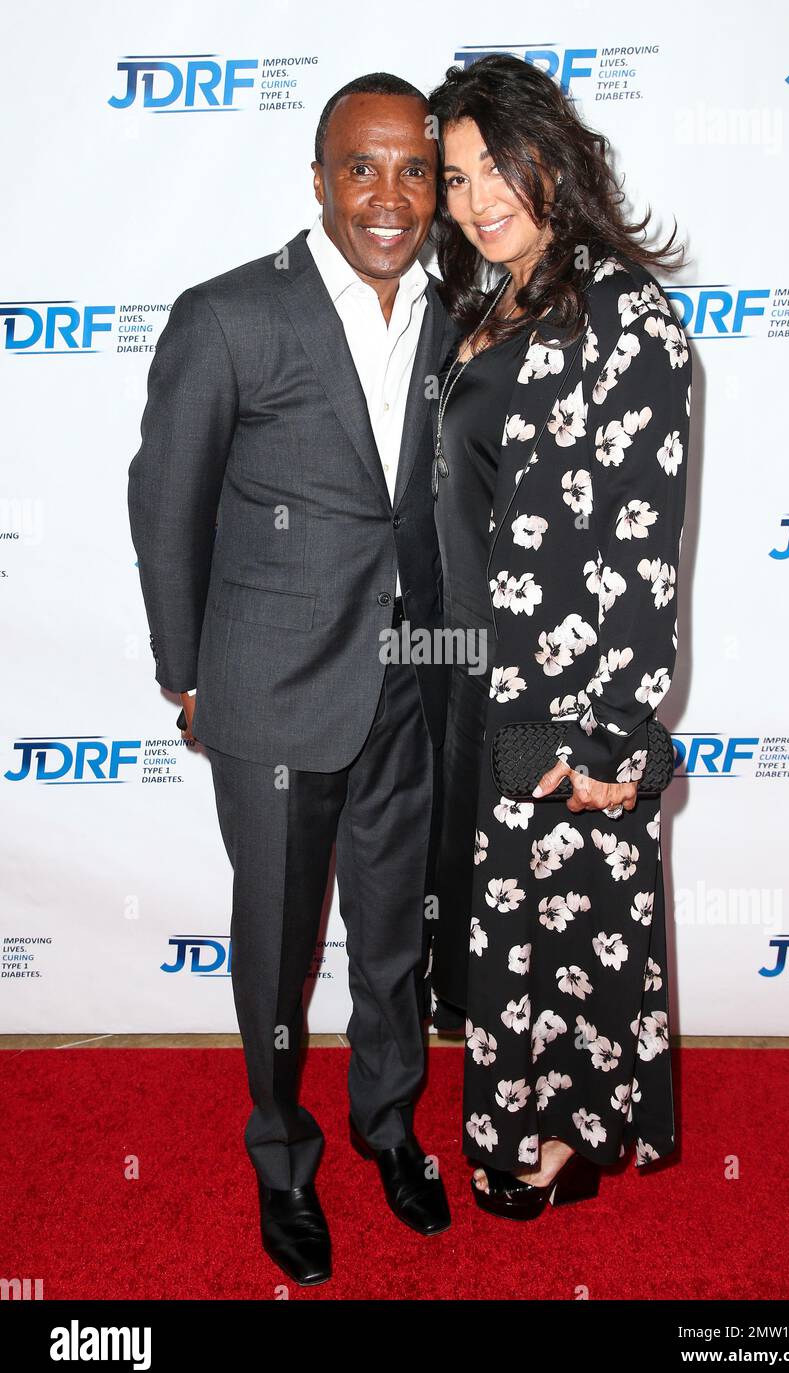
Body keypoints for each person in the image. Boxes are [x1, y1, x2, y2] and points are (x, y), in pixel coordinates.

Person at [128, 72, 458, 1284]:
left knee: (392, 943)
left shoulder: (458, 312)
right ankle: (282, 1160)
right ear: (317, 178)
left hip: (409, 691)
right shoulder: (228, 317)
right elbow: (163, 506)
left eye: (412, 169)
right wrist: (184, 675)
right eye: (360, 167)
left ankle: (389, 1129)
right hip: (268, 692)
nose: (387, 195)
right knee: (276, 950)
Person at [427, 53, 691, 1218]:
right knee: (508, 926)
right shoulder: (492, 300)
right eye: (455, 175)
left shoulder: (623, 314)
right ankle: (515, 1109)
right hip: (472, 674)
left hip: (562, 692)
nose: (477, 196)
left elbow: (642, 552)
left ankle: (559, 1136)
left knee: (564, 921)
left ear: (555, 158)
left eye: (497, 166)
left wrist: (610, 733)